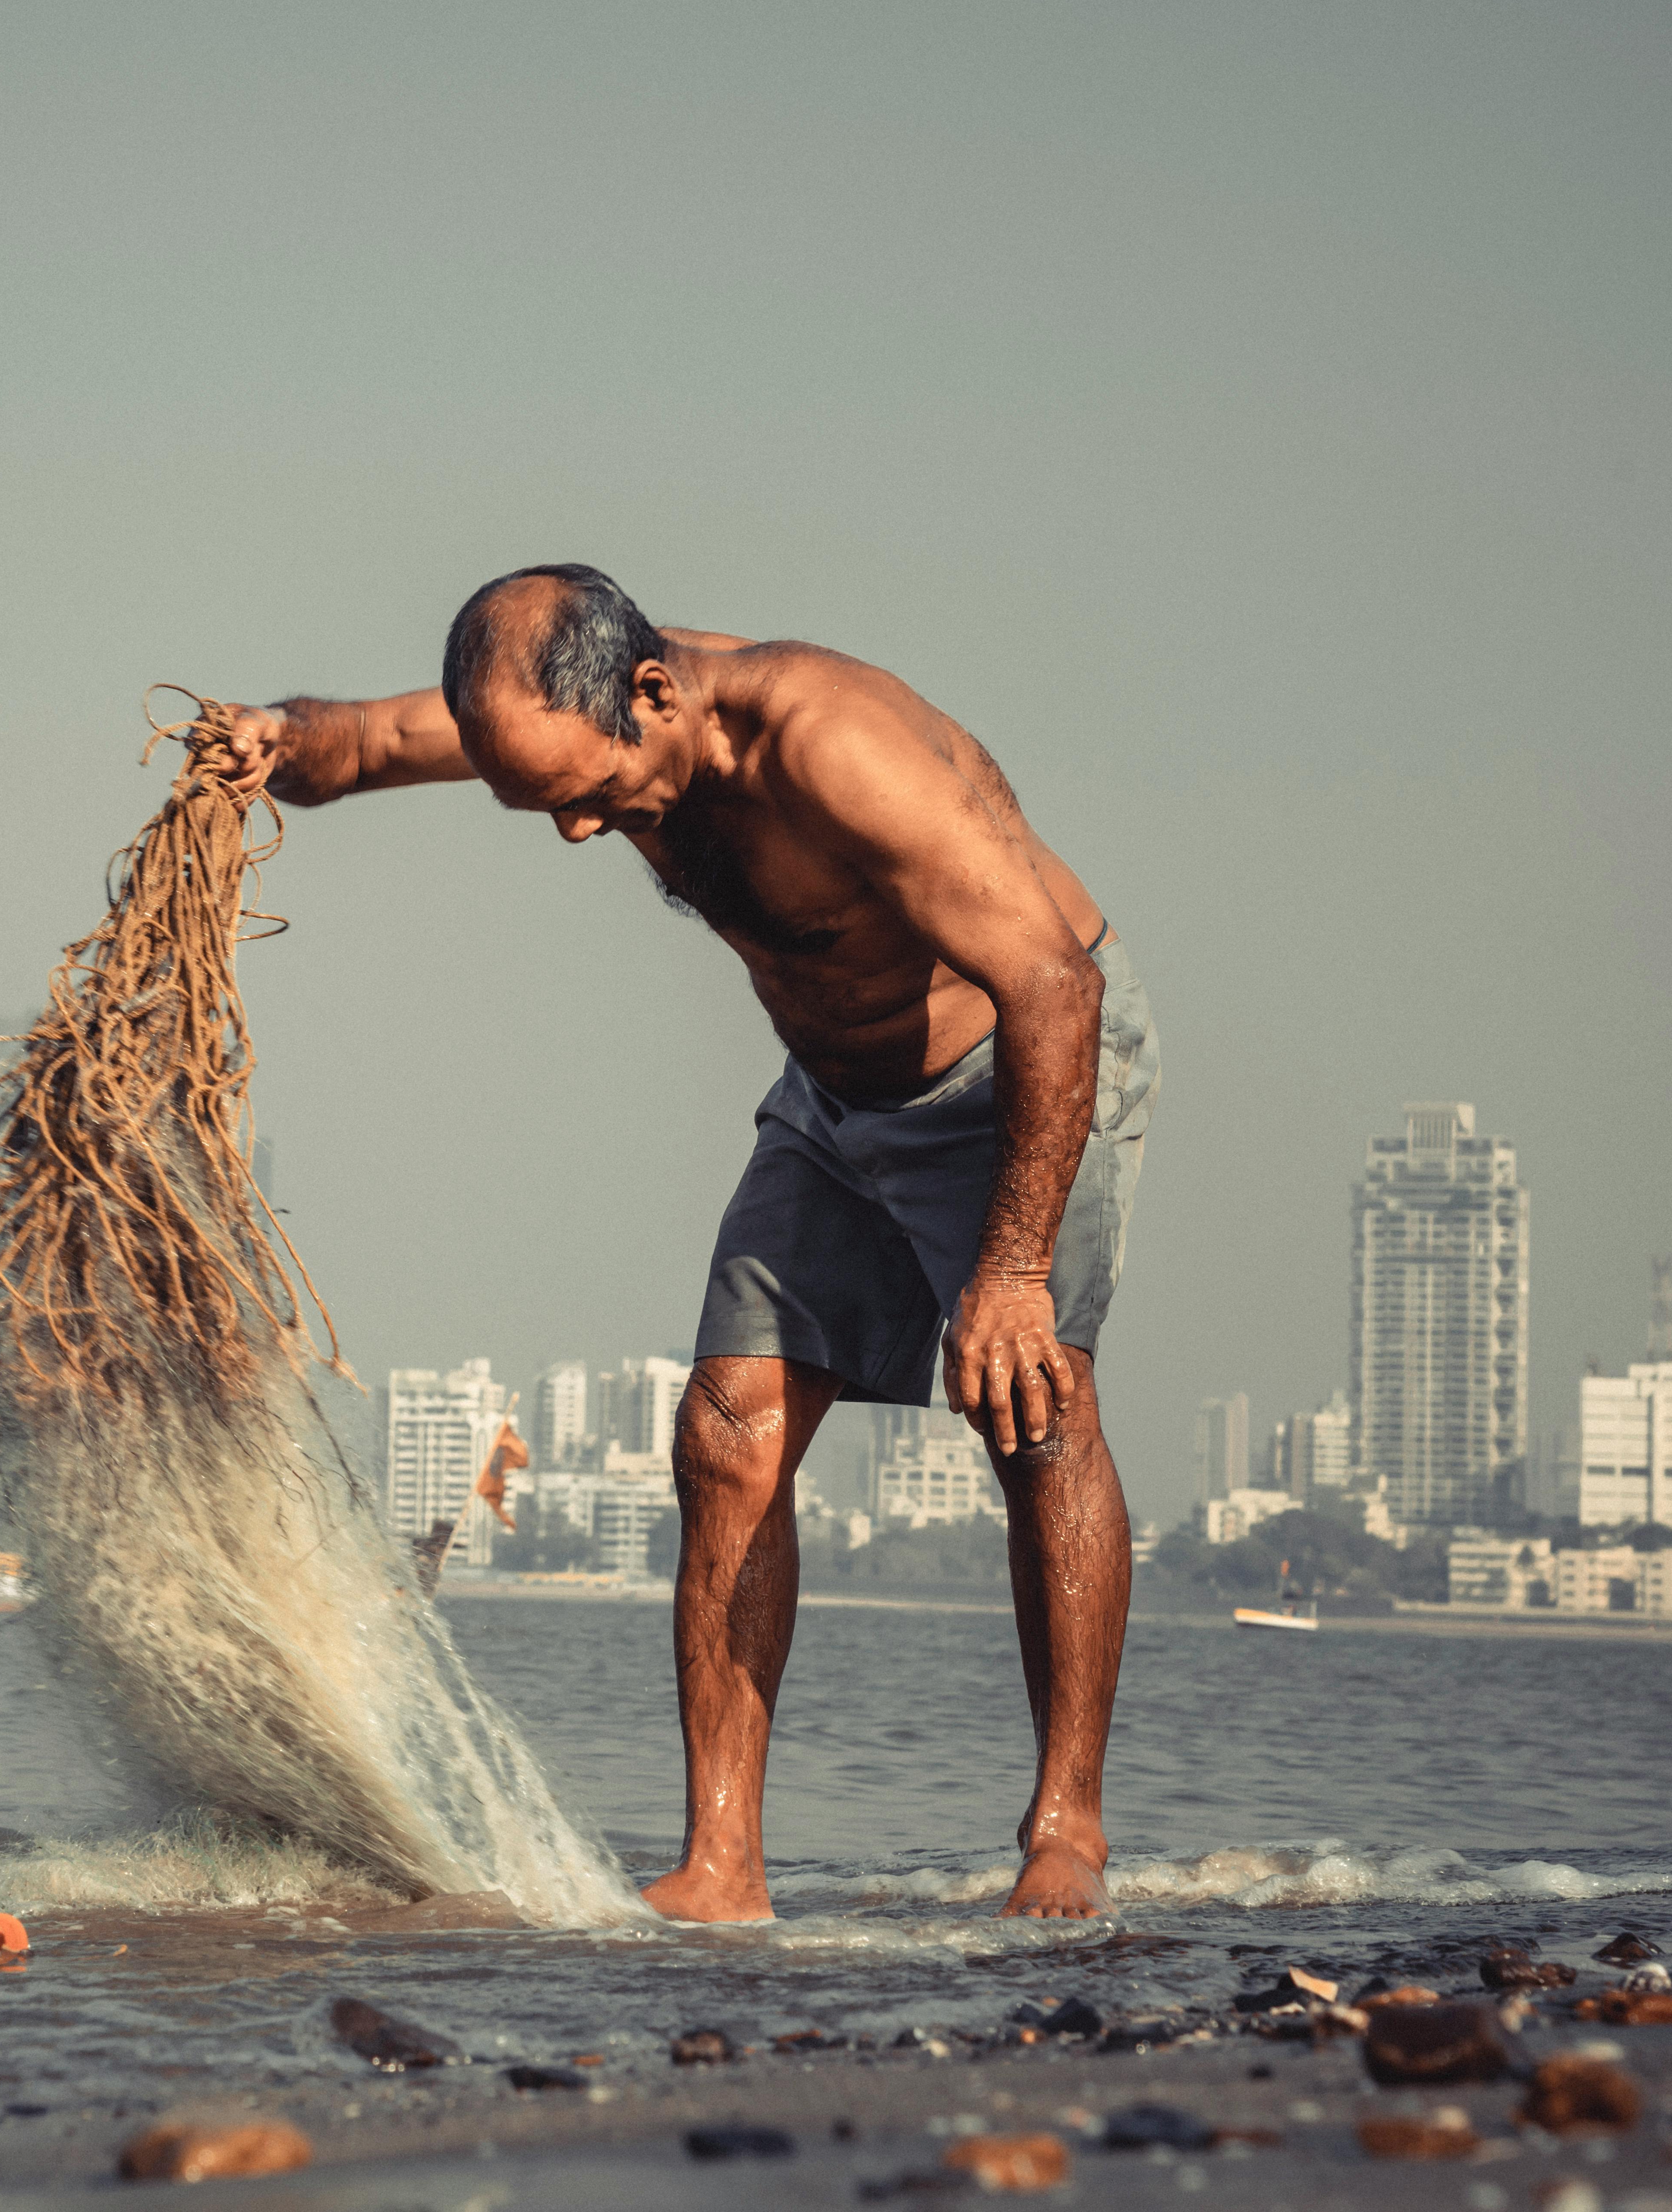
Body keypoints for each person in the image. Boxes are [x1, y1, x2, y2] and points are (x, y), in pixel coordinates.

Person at [214, 564, 1156, 1921]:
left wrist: (1007, 1272)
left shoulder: (837, 748)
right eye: (541, 808)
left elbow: (1054, 985)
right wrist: (269, 743)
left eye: (588, 797)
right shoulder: (569, 710)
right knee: (723, 1428)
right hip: (831, 1103)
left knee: (1035, 1409)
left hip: (1013, 1074)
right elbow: (352, 745)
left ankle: (1065, 1831)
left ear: (654, 692)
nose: (579, 835)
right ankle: (723, 1864)